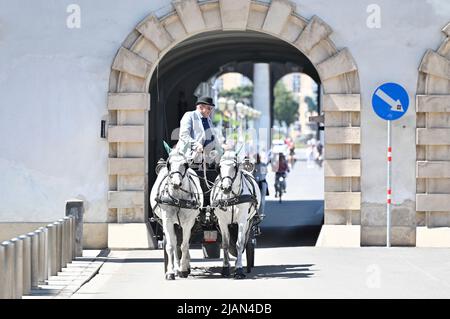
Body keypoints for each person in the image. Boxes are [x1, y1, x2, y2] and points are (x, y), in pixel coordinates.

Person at [178, 96, 226, 206]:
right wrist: (196, 145)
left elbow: (213, 139)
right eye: (209, 108)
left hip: (207, 160)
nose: (210, 111)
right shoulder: (189, 116)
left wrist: (222, 149)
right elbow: (184, 135)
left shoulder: (208, 120)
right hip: (191, 159)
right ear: (200, 107)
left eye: (211, 108)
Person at [253, 153, 269, 218]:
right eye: (256, 158)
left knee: (262, 199)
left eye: (258, 157)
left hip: (262, 183)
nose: (257, 159)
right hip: (255, 184)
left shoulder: (263, 165)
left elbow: (264, 174)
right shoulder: (253, 165)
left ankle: (261, 214)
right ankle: (254, 213)